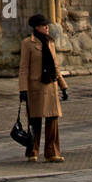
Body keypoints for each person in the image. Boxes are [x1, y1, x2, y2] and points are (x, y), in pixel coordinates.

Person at [18, 13, 69, 162]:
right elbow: (23, 69)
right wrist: (23, 90)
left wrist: (63, 86)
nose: (47, 28)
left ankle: (52, 152)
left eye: (47, 25)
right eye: (43, 26)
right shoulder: (28, 43)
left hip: (51, 86)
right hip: (36, 87)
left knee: (52, 120)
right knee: (35, 121)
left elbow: (55, 65)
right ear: (36, 27)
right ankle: (32, 152)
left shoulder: (50, 42)